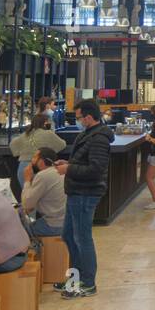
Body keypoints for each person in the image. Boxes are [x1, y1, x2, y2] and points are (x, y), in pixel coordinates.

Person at [53, 100, 113, 299]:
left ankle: (88, 283)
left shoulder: (99, 139)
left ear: (88, 117)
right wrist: (68, 163)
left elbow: (96, 169)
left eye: (78, 117)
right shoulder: (87, 134)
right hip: (76, 191)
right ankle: (74, 279)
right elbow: (85, 162)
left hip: (85, 193)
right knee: (69, 236)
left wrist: (69, 169)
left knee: (82, 238)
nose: (77, 121)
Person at [9, 114, 65, 187]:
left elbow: (12, 145)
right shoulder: (48, 133)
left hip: (23, 167)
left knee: (26, 194)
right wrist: (50, 151)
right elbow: (62, 144)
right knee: (42, 196)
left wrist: (22, 152)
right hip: (40, 166)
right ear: (45, 123)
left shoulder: (25, 134)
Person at [22, 148, 66, 237]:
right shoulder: (61, 171)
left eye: (34, 157)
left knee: (18, 229)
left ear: (41, 161)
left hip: (53, 226)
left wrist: (27, 180)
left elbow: (27, 205)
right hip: (67, 223)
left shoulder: (43, 176)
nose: (31, 161)